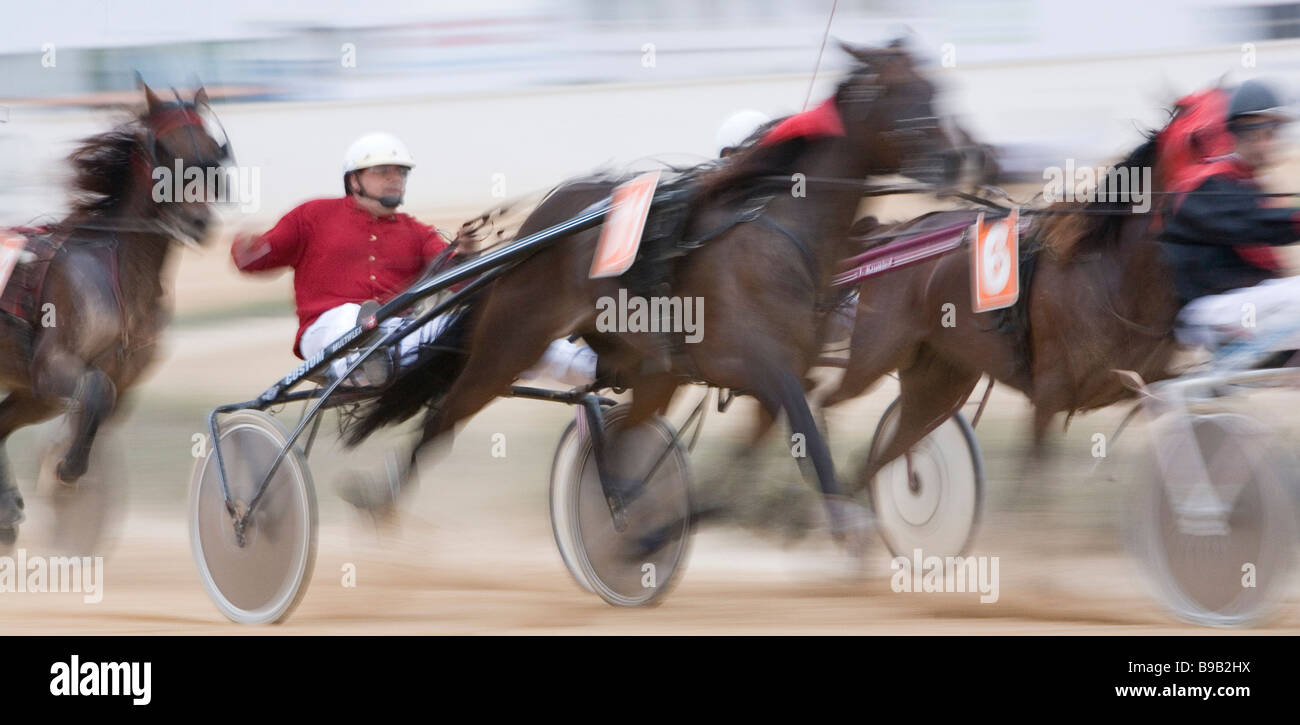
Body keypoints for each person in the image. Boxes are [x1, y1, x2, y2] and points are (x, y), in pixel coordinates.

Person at [232, 132, 596, 385]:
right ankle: (361, 363)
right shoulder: (313, 214)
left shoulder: (418, 231)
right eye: (382, 171)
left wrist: (466, 257)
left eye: (400, 173)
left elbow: (458, 280)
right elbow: (257, 259)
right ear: (354, 179)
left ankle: (593, 369)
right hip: (327, 331)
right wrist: (246, 247)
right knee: (357, 318)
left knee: (501, 330)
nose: (394, 179)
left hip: (398, 336)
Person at [1159, 80, 1300, 367]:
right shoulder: (1209, 182)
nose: (1273, 141)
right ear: (1246, 130)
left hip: (1233, 306)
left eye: (1275, 132)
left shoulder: (1243, 180)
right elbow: (1261, 224)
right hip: (1206, 313)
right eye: (1269, 131)